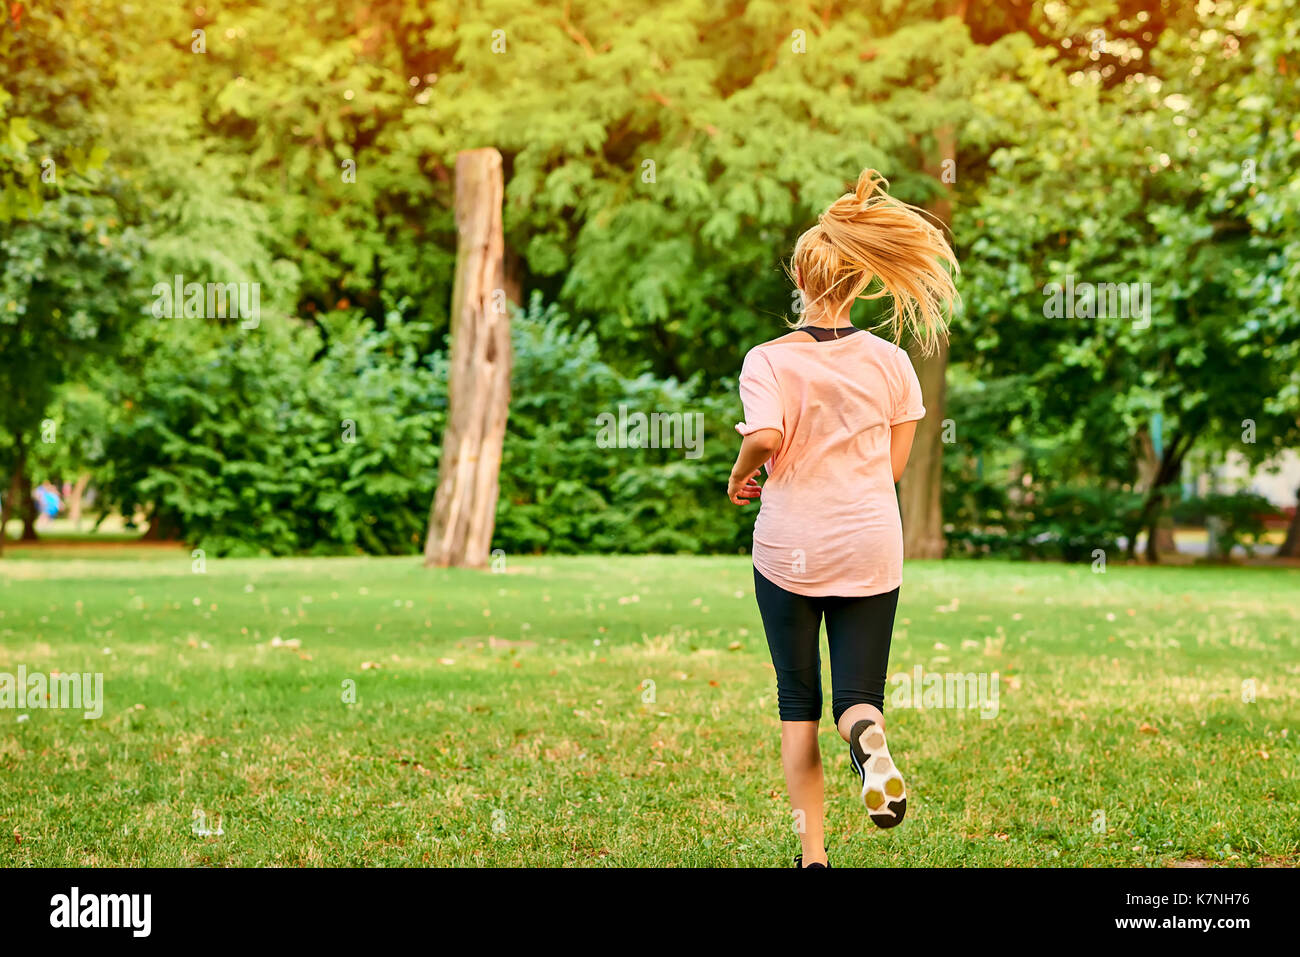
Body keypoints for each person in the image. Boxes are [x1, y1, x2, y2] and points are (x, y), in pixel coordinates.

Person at [727, 169, 959, 868]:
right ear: (862, 279)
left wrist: (743, 475)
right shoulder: (892, 362)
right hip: (868, 545)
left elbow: (764, 438)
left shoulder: (767, 360)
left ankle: (814, 858)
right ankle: (869, 740)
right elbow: (890, 467)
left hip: (790, 549)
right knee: (859, 697)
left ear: (800, 277)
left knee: (797, 699)